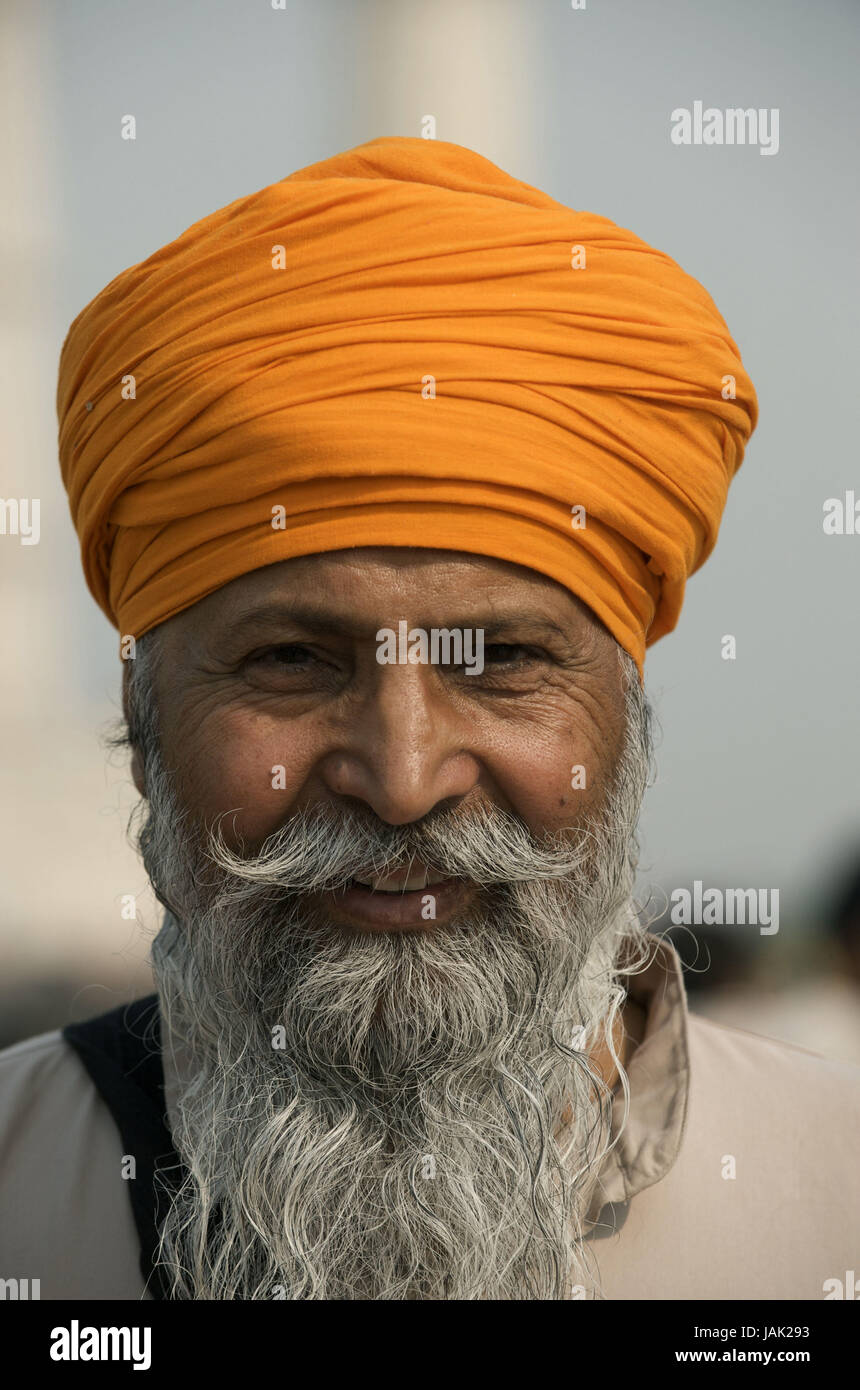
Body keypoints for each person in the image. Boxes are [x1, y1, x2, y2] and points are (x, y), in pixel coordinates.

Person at [1, 136, 856, 1300]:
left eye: (500, 660)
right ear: (141, 717)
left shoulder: (832, 1199)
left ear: (624, 715)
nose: (402, 779)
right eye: (292, 660)